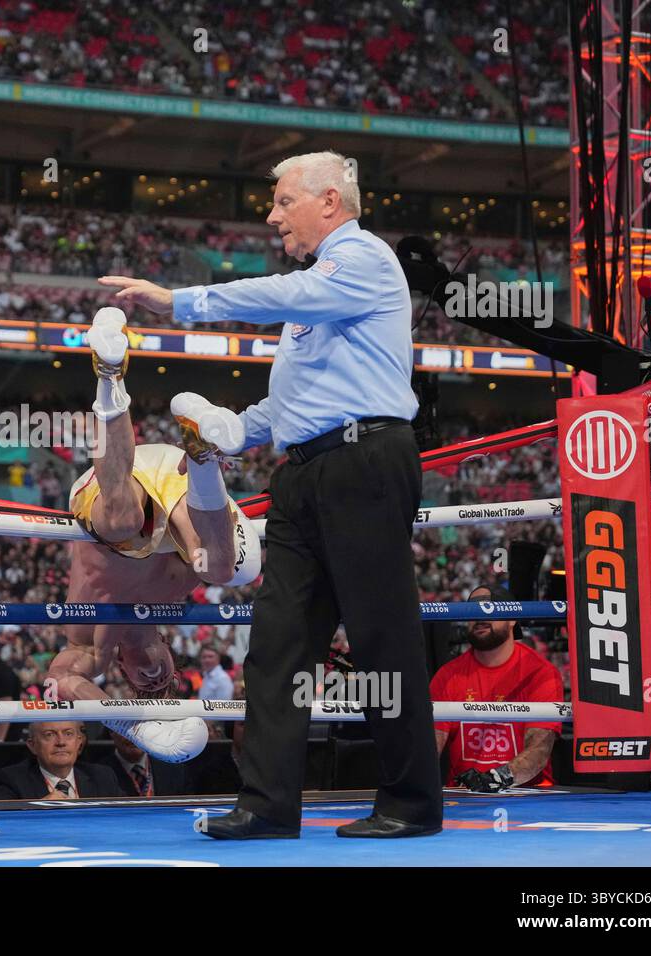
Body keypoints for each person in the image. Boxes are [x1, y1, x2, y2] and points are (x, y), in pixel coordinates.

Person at [101, 150, 442, 839]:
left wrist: (181, 302)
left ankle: (411, 802)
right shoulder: (317, 292)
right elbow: (295, 403)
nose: (272, 214)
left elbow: (289, 297)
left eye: (284, 201)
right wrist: (238, 428)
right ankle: (267, 803)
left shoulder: (366, 260)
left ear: (329, 202)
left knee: (383, 638)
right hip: (304, 472)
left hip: (365, 461)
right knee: (278, 643)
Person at [42, 307, 261, 763]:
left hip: (124, 477)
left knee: (126, 525)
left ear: (120, 664)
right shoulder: (177, 589)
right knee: (223, 569)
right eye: (160, 680)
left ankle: (120, 387)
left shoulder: (92, 637)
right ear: (167, 647)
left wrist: (129, 721)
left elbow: (61, 679)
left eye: (145, 683)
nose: (151, 676)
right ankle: (190, 441)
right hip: (157, 479)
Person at [432, 586, 563, 791]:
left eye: (489, 608)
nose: (480, 616)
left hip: (529, 796)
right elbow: (430, 747)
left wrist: (499, 778)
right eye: (473, 610)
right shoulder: (448, 675)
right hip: (464, 797)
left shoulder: (539, 672)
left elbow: (539, 749)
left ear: (512, 619)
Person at [0, 722, 122, 800]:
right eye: (50, 734)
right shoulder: (12, 780)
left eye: (68, 734)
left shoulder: (103, 777)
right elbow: (7, 826)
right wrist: (39, 810)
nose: (61, 742)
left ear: (79, 743)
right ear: (32, 745)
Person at [99, 730, 187, 797]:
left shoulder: (173, 768)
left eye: (140, 728)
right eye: (126, 728)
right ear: (111, 731)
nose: (133, 735)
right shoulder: (99, 775)